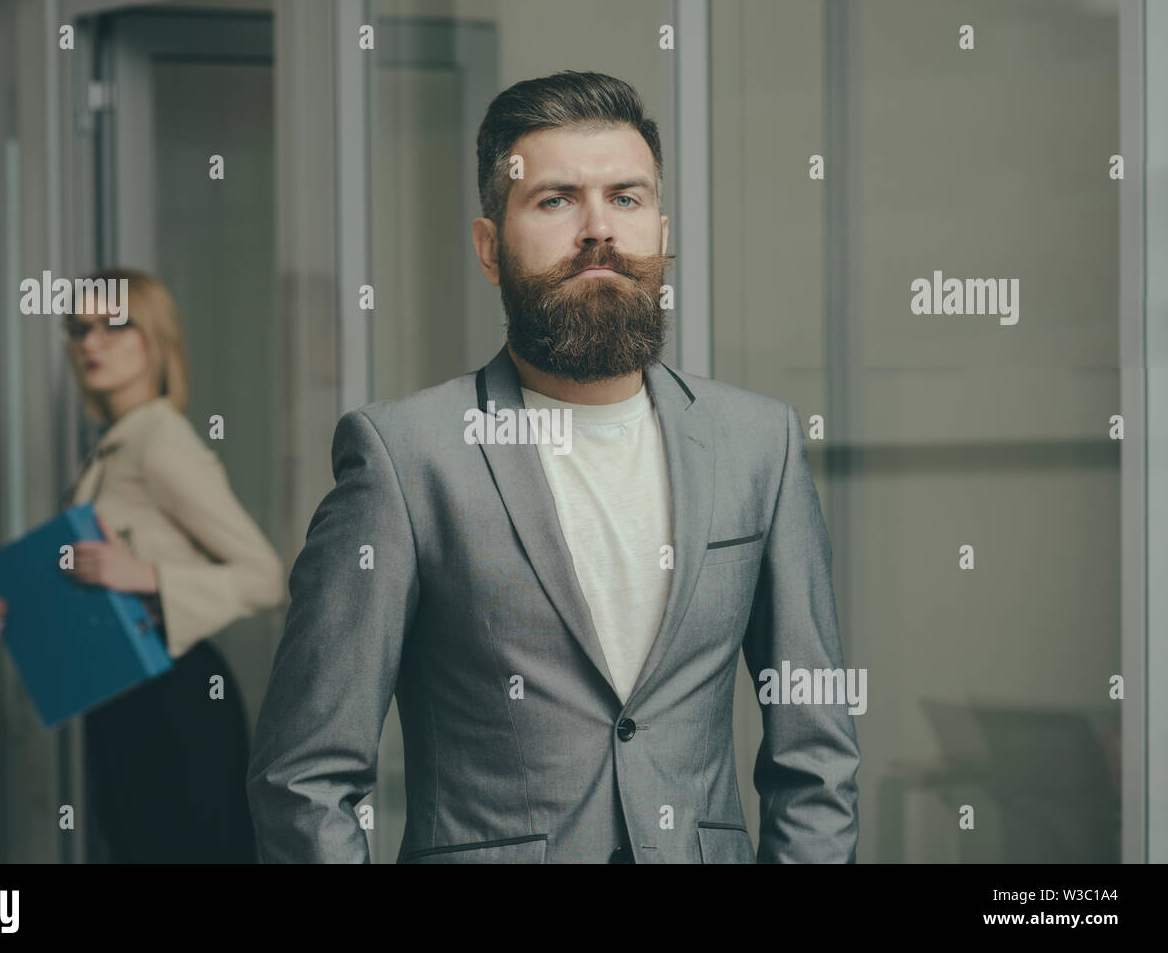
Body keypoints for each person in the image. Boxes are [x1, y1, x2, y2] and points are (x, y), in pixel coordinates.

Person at [247, 71, 861, 863]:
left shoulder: (758, 443)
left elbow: (816, 752)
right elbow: (304, 778)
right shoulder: (405, 457)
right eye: (555, 200)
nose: (598, 229)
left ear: (663, 234)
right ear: (488, 246)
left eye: (627, 199)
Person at [0, 268, 285, 862]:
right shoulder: (112, 447)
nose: (90, 343)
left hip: (174, 703)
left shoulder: (159, 440)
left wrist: (142, 576)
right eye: (78, 329)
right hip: (121, 703)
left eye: (113, 325)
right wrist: (22, 620)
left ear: (154, 338)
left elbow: (265, 576)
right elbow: (97, 591)